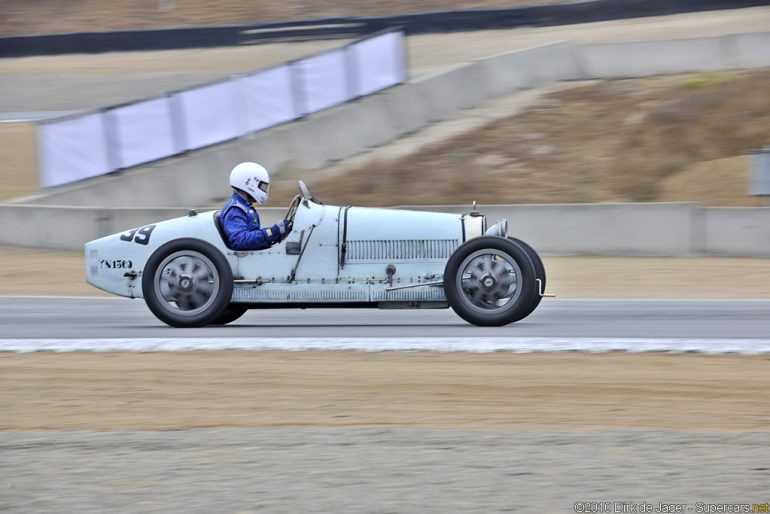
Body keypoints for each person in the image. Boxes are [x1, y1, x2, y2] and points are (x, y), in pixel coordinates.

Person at [221, 162, 292, 251]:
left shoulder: (244, 206)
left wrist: (276, 234)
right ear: (249, 183)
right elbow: (239, 241)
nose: (264, 190)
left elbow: (253, 236)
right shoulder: (235, 209)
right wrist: (271, 231)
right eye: (261, 186)